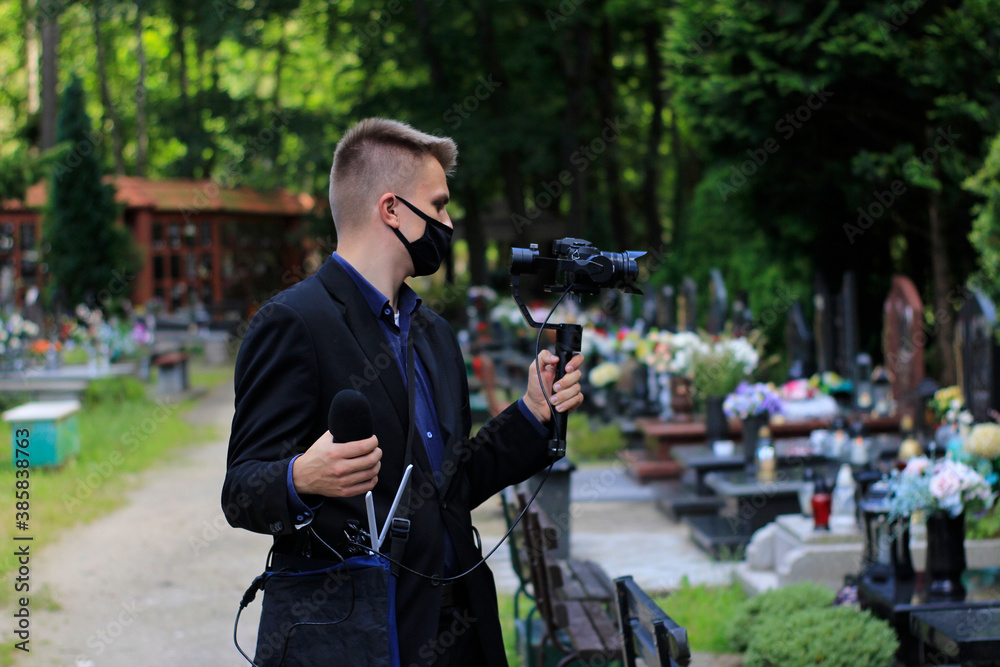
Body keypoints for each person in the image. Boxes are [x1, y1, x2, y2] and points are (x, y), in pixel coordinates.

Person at [223, 117, 585, 667]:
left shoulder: (435, 333)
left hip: (459, 627)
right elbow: (241, 490)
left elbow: (452, 486)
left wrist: (533, 413)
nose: (449, 222)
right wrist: (300, 477)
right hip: (361, 630)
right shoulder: (293, 321)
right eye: (438, 206)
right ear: (391, 210)